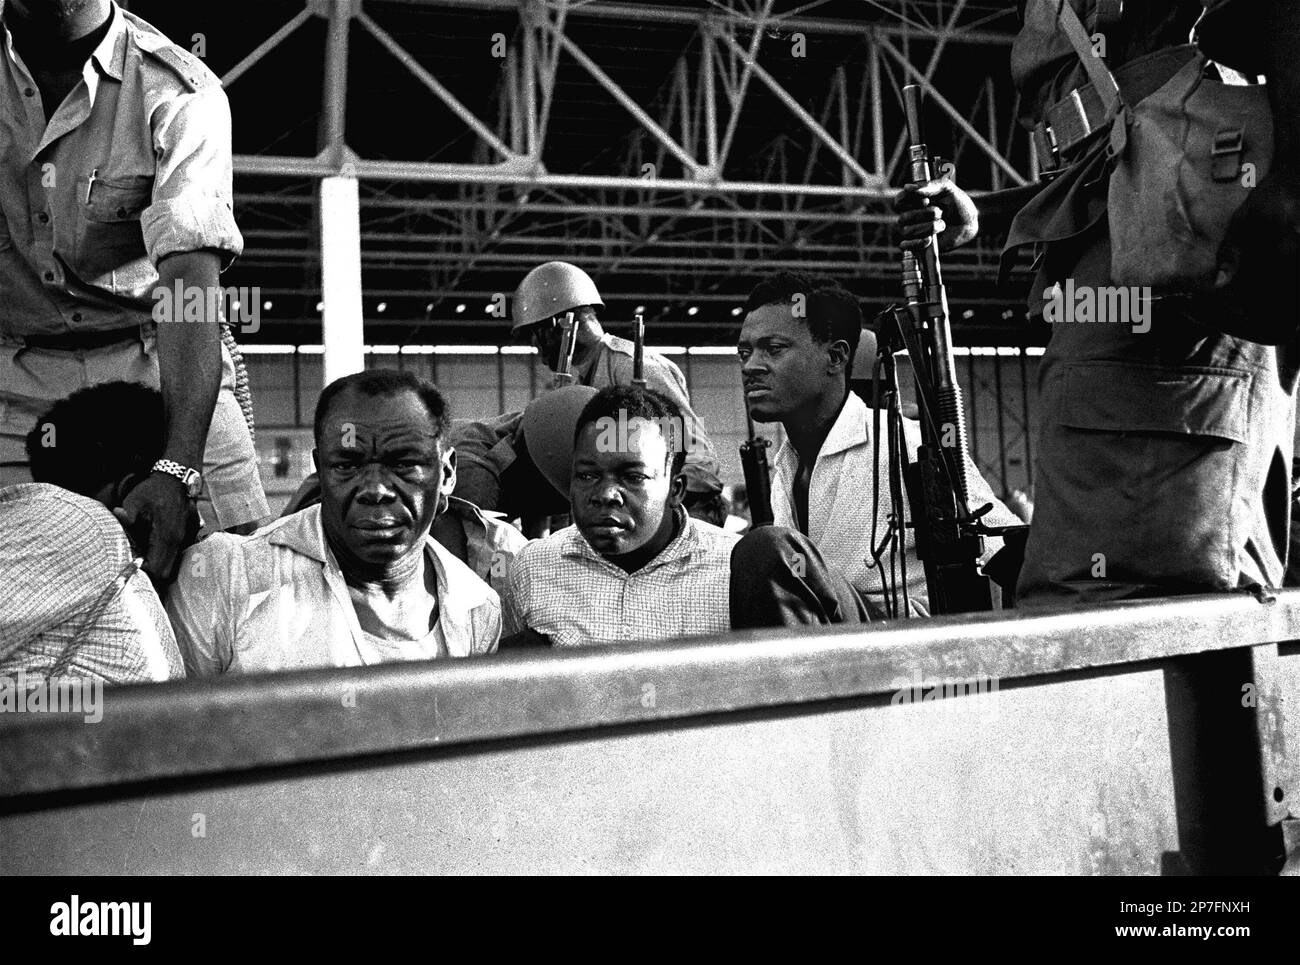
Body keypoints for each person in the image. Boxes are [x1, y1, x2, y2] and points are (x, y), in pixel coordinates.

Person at [895, 0, 1300, 606]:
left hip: (1179, 250)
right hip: (1127, 232)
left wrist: (1290, 186)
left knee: (1131, 596)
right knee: (1103, 589)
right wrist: (992, 210)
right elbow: (1117, 141)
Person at [0, 0, 271, 585]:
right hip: (10, 372)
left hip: (158, 362)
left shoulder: (179, 93)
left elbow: (189, 292)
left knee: (242, 578)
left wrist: (177, 471)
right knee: (17, 590)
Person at [166, 370, 500, 675]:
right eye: (347, 466)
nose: (375, 490)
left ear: (447, 474)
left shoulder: (476, 607)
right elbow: (164, 729)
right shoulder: (226, 574)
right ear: (320, 471)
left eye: (403, 464)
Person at [736, 271, 1020, 619]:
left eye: (774, 349)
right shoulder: (786, 466)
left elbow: (1007, 553)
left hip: (911, 643)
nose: (751, 366)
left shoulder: (906, 444)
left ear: (836, 357)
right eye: (744, 352)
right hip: (838, 645)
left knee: (767, 549)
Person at [453, 260, 720, 523]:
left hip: (682, 510)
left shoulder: (631, 368)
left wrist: (653, 502)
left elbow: (696, 457)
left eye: (534, 334)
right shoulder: (582, 381)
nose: (535, 346)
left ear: (556, 326)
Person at [502, 385, 737, 647]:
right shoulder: (532, 568)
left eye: (633, 477)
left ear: (675, 489)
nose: (606, 494)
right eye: (587, 475)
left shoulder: (733, 569)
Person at [0, 381, 185, 684]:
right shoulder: (85, 524)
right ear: (130, 491)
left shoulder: (79, 530)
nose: (197, 519)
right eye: (186, 495)